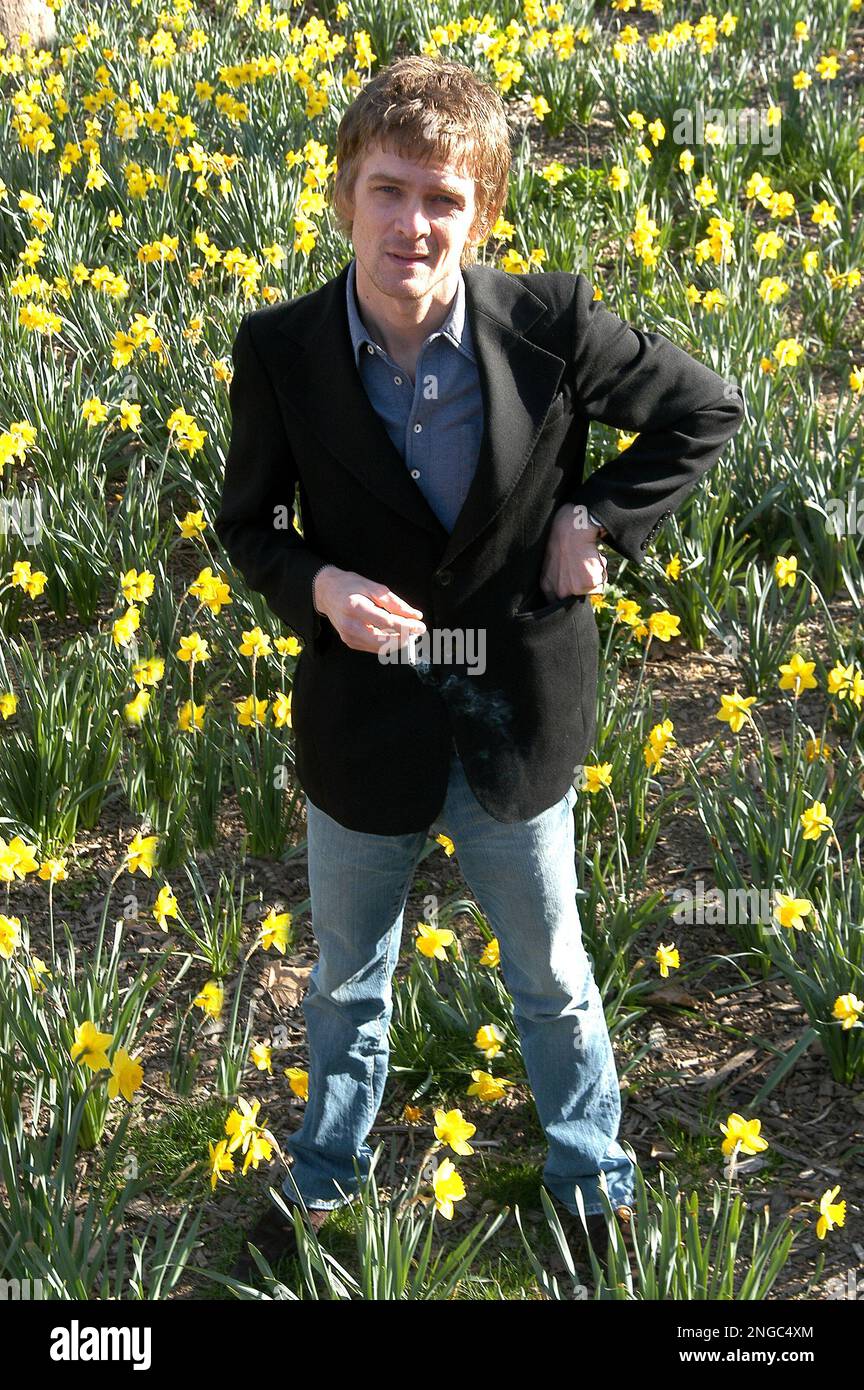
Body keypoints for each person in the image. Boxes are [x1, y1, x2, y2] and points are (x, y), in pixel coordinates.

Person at [215, 54, 745, 1273]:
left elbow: (704, 409)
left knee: (553, 979)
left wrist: (597, 520)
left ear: (484, 211)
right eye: (390, 190)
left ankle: (590, 1183)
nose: (414, 224)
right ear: (344, 192)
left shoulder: (550, 326)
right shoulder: (282, 352)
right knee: (348, 986)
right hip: (365, 725)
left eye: (443, 198)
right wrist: (318, 587)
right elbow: (248, 528)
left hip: (515, 720)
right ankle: (326, 1189)